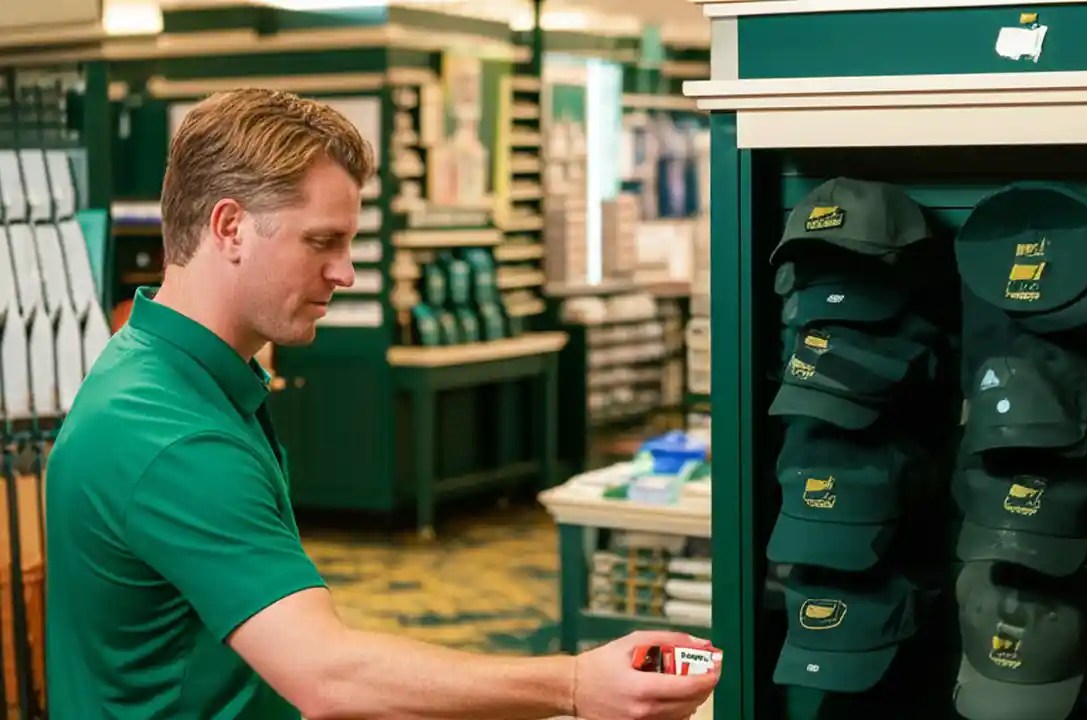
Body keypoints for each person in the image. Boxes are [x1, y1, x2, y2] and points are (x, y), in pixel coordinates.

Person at [43, 88, 720, 720]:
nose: (346, 271)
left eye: (348, 242)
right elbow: (326, 673)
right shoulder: (173, 435)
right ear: (229, 227)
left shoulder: (159, 366)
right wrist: (574, 686)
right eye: (322, 242)